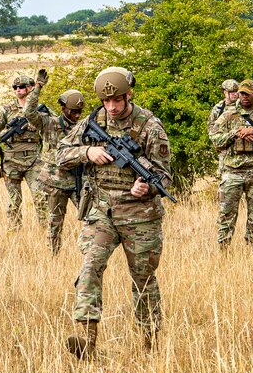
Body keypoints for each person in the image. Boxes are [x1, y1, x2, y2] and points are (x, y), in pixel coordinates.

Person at [56, 67, 173, 357]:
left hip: (140, 215)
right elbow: (61, 153)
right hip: (102, 211)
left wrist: (147, 187)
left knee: (143, 279)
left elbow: (165, 176)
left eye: (117, 100)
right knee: (90, 267)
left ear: (128, 95)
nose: (111, 107)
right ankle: (87, 339)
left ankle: (149, 345)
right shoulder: (92, 121)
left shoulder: (150, 126)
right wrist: (87, 153)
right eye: (106, 101)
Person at [209, 79, 253, 249]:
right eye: (241, 93)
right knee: (226, 214)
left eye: (248, 94)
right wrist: (235, 133)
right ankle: (224, 251)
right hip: (232, 171)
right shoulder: (228, 114)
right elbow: (215, 139)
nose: (244, 97)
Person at [20, 70, 87, 254]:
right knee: (54, 224)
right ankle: (53, 257)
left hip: (78, 181)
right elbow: (28, 112)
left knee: (91, 218)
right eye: (73, 112)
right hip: (55, 183)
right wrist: (38, 88)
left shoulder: (84, 127)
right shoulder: (49, 123)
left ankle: (88, 253)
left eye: (79, 112)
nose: (76, 115)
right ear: (63, 108)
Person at [0, 74, 47, 228]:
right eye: (15, 87)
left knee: (40, 197)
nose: (18, 90)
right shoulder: (7, 110)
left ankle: (46, 231)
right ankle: (14, 232)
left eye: (22, 87)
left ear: (31, 88)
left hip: (33, 160)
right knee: (14, 201)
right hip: (11, 161)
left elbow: (53, 127)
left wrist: (37, 125)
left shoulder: (39, 109)